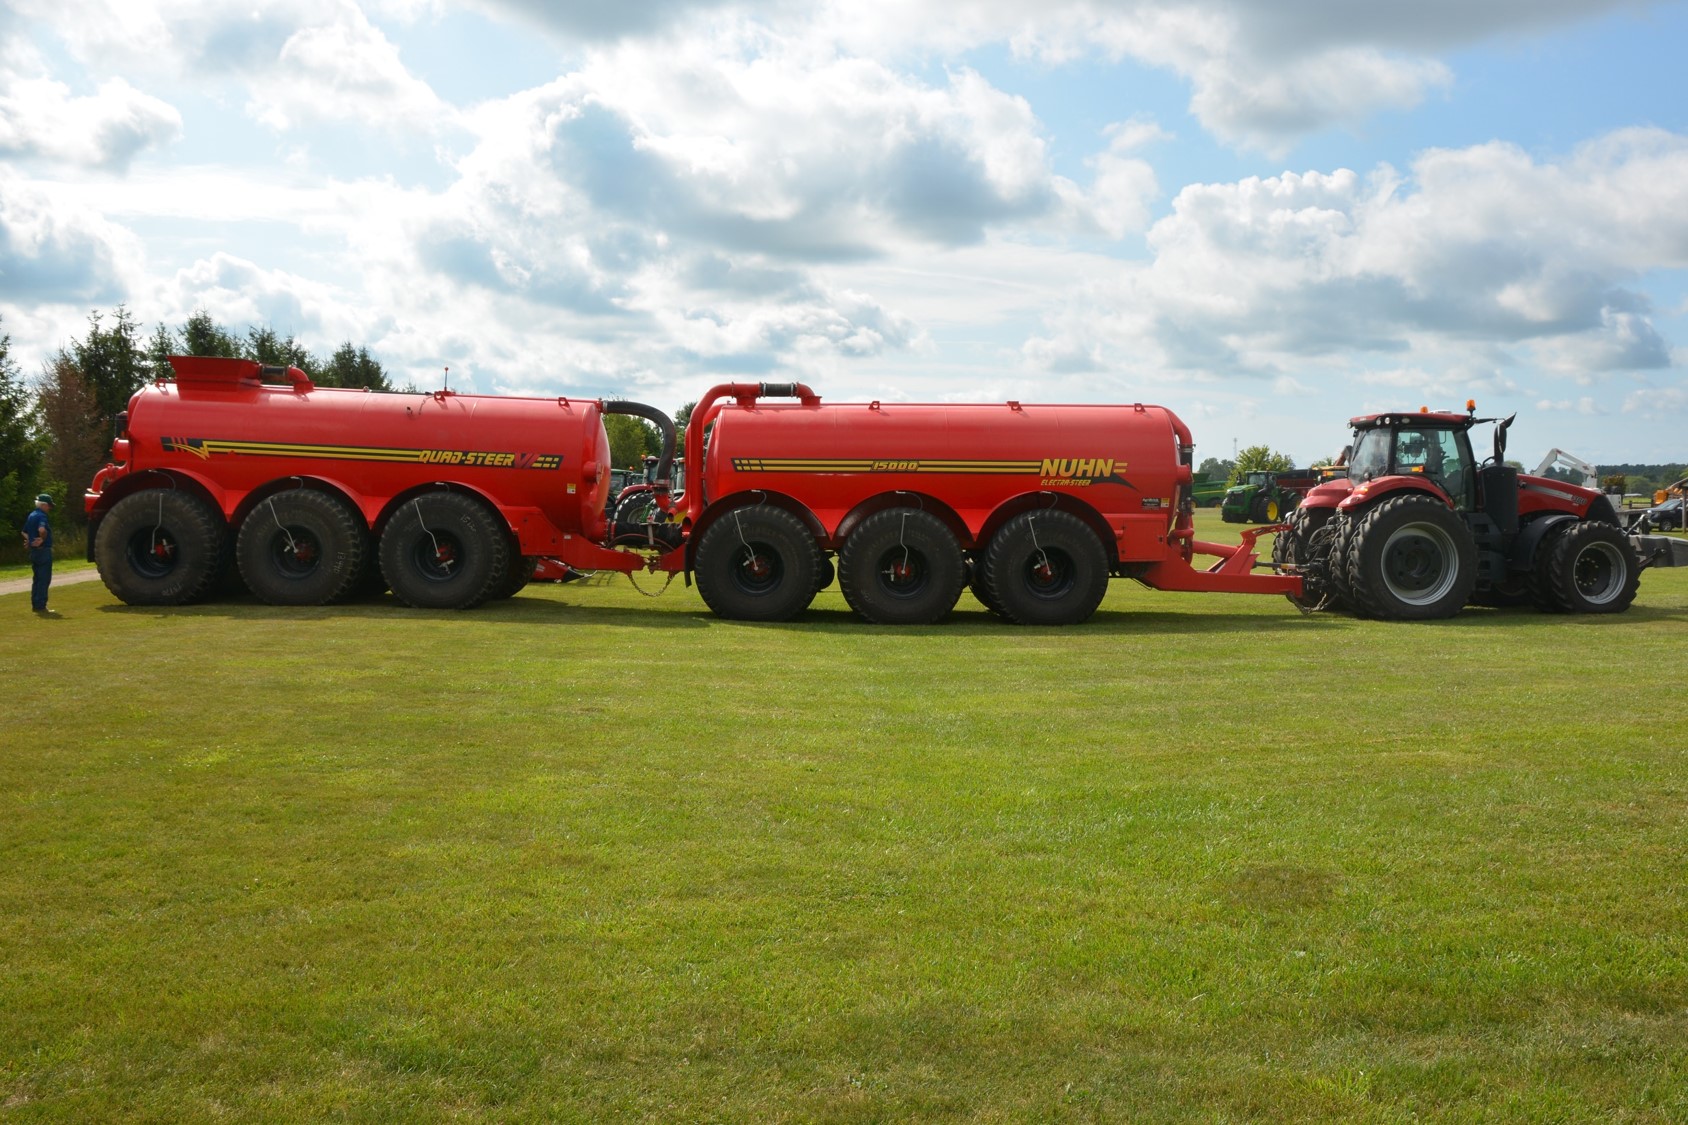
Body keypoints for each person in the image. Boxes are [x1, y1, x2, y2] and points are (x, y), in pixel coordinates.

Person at [22, 492, 55, 615]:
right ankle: (41, 605)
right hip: (43, 551)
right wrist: (42, 539)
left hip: (34, 552)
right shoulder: (42, 516)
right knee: (44, 578)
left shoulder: (32, 515)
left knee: (36, 578)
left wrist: (30, 541)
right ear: (43, 505)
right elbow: (42, 530)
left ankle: (35, 603)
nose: (50, 508)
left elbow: (23, 531)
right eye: (49, 506)